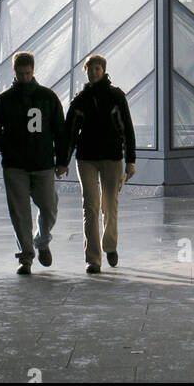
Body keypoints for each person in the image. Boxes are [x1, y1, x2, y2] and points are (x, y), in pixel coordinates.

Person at [0, 51, 67, 275]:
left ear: (33, 70)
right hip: (15, 166)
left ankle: (42, 241)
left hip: (43, 164)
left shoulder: (48, 98)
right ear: (14, 72)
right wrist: (8, 149)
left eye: (27, 73)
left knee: (49, 208)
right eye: (20, 74)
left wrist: (62, 161)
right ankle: (26, 257)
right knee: (20, 213)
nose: (24, 77)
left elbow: (61, 130)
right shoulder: (4, 101)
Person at [63, 55, 136, 274]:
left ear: (103, 70)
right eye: (90, 69)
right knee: (90, 207)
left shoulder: (116, 96)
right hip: (86, 158)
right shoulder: (80, 100)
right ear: (85, 72)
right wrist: (63, 161)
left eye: (97, 68)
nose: (94, 72)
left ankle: (110, 246)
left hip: (112, 157)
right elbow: (70, 133)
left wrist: (130, 160)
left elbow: (128, 130)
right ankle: (93, 259)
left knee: (109, 205)